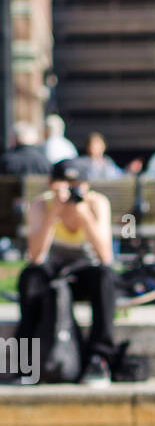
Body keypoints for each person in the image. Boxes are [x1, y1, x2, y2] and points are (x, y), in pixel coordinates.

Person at [17, 159, 118, 385]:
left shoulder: (96, 203)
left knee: (106, 277)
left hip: (85, 274)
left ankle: (99, 357)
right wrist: (54, 215)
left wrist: (84, 217)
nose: (70, 190)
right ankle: (25, 361)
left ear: (87, 185)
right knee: (30, 276)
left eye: (76, 184)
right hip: (53, 274)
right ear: (52, 185)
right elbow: (35, 256)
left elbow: (106, 257)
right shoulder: (42, 205)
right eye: (64, 184)